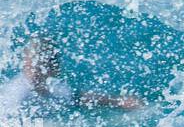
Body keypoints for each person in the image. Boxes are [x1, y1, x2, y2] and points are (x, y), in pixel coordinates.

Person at [0, 35, 142, 113]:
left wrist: (118, 101)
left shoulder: (52, 88)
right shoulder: (15, 94)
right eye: (34, 64)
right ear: (25, 64)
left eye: (44, 63)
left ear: (54, 68)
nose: (37, 70)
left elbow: (78, 98)